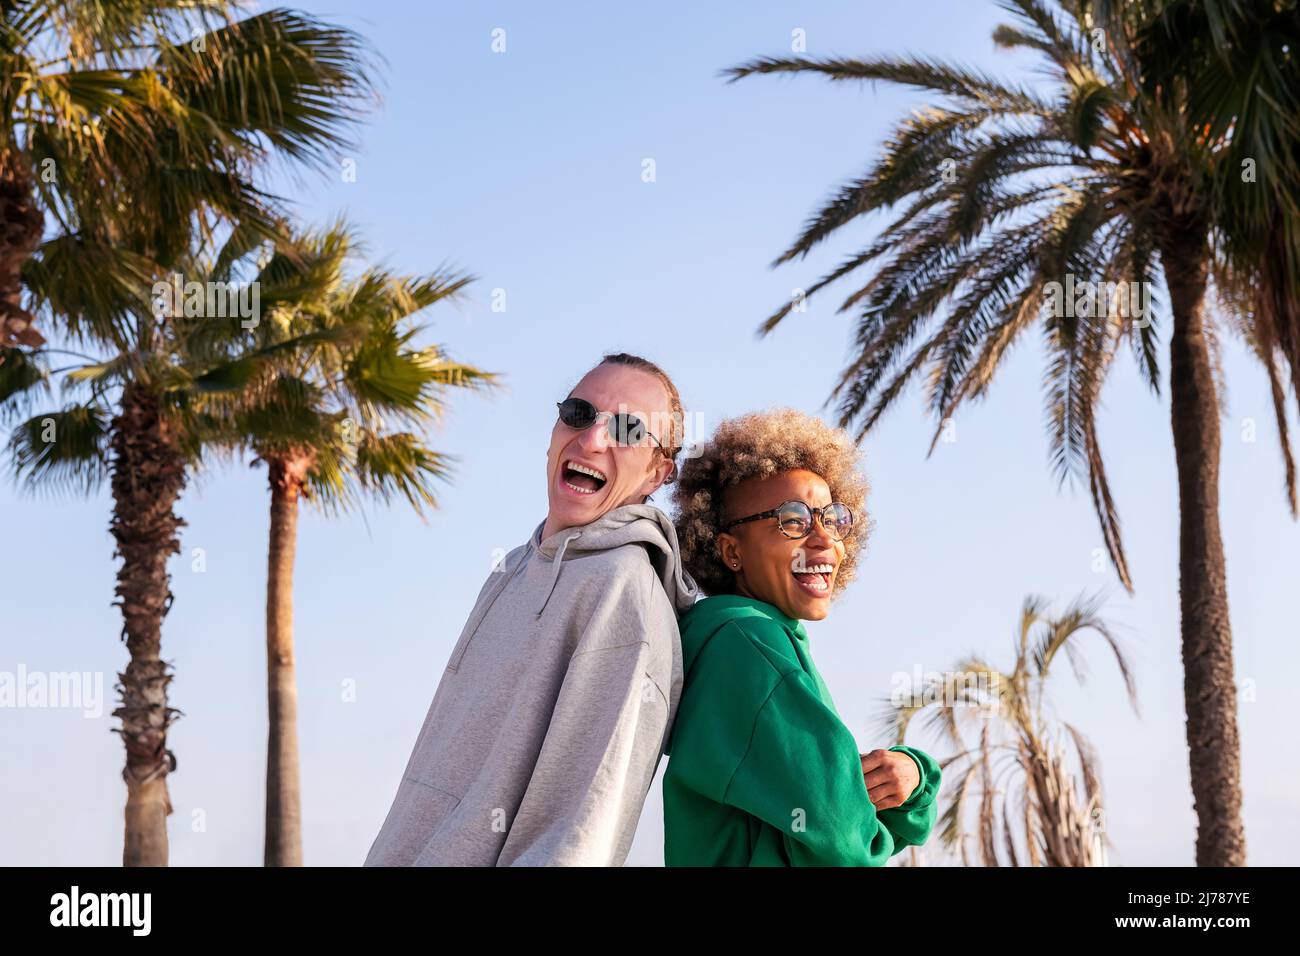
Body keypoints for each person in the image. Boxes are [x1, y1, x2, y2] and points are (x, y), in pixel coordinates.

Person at [364, 353, 697, 866]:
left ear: (658, 473)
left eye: (628, 429)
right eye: (579, 414)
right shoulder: (512, 569)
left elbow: (582, 828)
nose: (591, 440)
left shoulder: (624, 590)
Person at [662, 407, 940, 866]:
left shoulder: (741, 639)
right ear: (732, 550)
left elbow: (842, 812)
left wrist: (911, 777)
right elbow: (844, 833)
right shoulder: (749, 643)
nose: (824, 539)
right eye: (792, 520)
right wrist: (922, 778)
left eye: (832, 518)